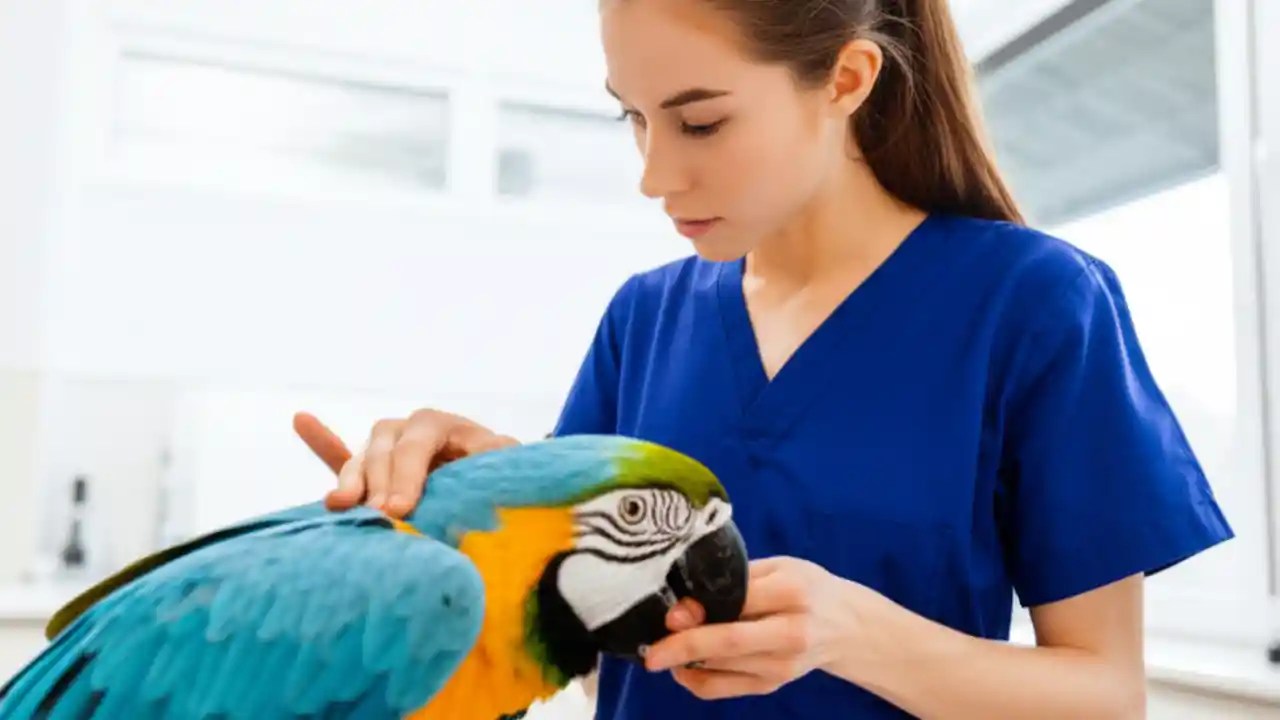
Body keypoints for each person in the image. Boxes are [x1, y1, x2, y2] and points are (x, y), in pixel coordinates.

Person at [294, 0, 1234, 717]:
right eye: (633, 118)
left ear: (847, 79)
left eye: (701, 122)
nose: (654, 175)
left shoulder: (1032, 304)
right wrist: (473, 517)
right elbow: (591, 657)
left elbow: (1104, 697)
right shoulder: (644, 318)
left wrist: (851, 634)